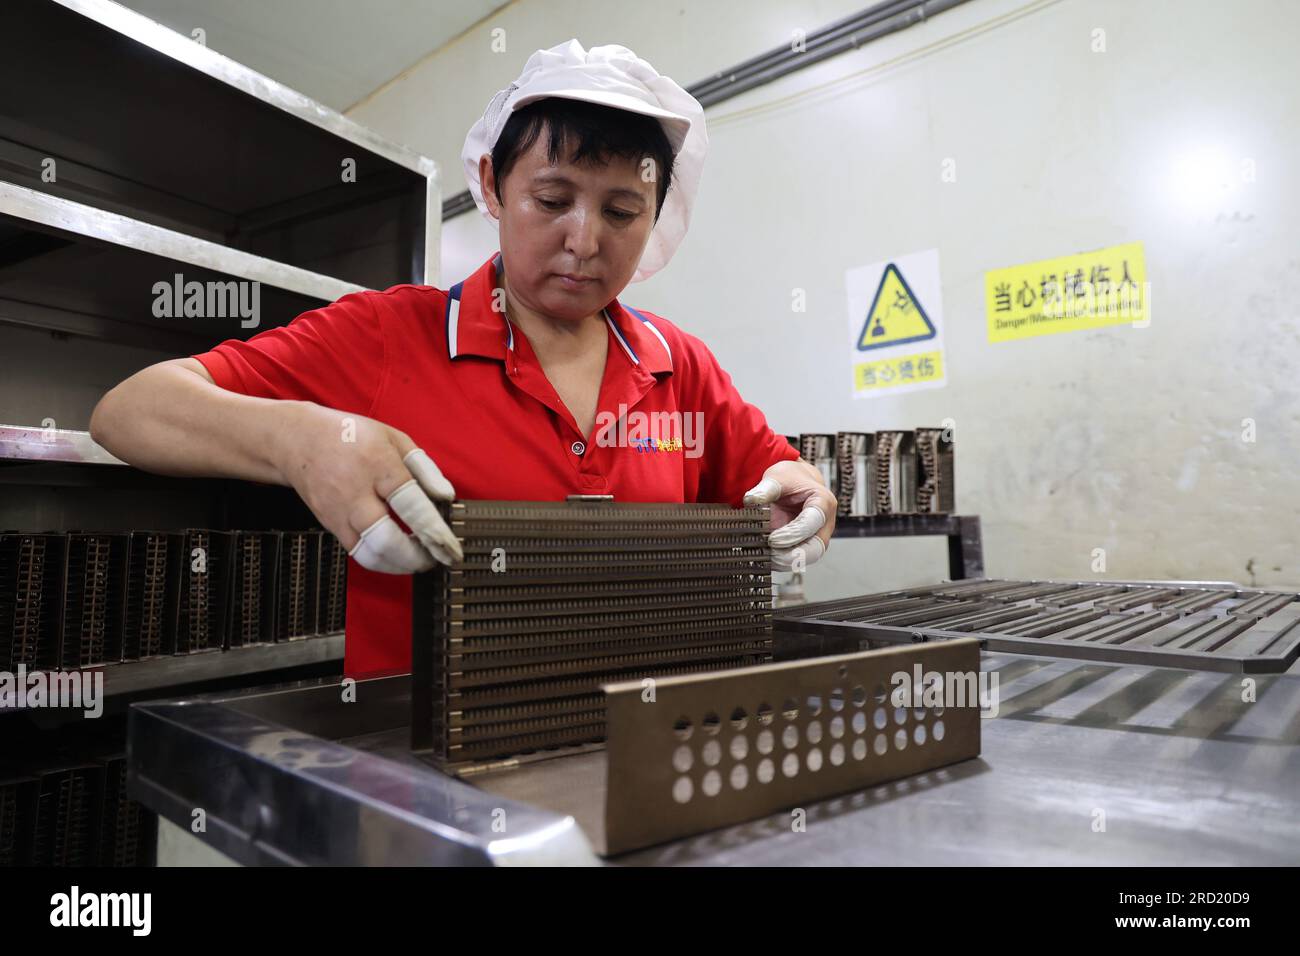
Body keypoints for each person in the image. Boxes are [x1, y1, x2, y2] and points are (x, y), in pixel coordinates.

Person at [90, 39, 836, 679]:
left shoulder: (678, 367)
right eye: (551, 200)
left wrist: (807, 492)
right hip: (421, 759)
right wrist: (299, 441)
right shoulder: (391, 335)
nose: (584, 242)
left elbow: (778, 477)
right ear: (491, 185)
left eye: (620, 212)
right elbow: (130, 411)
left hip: (630, 752)